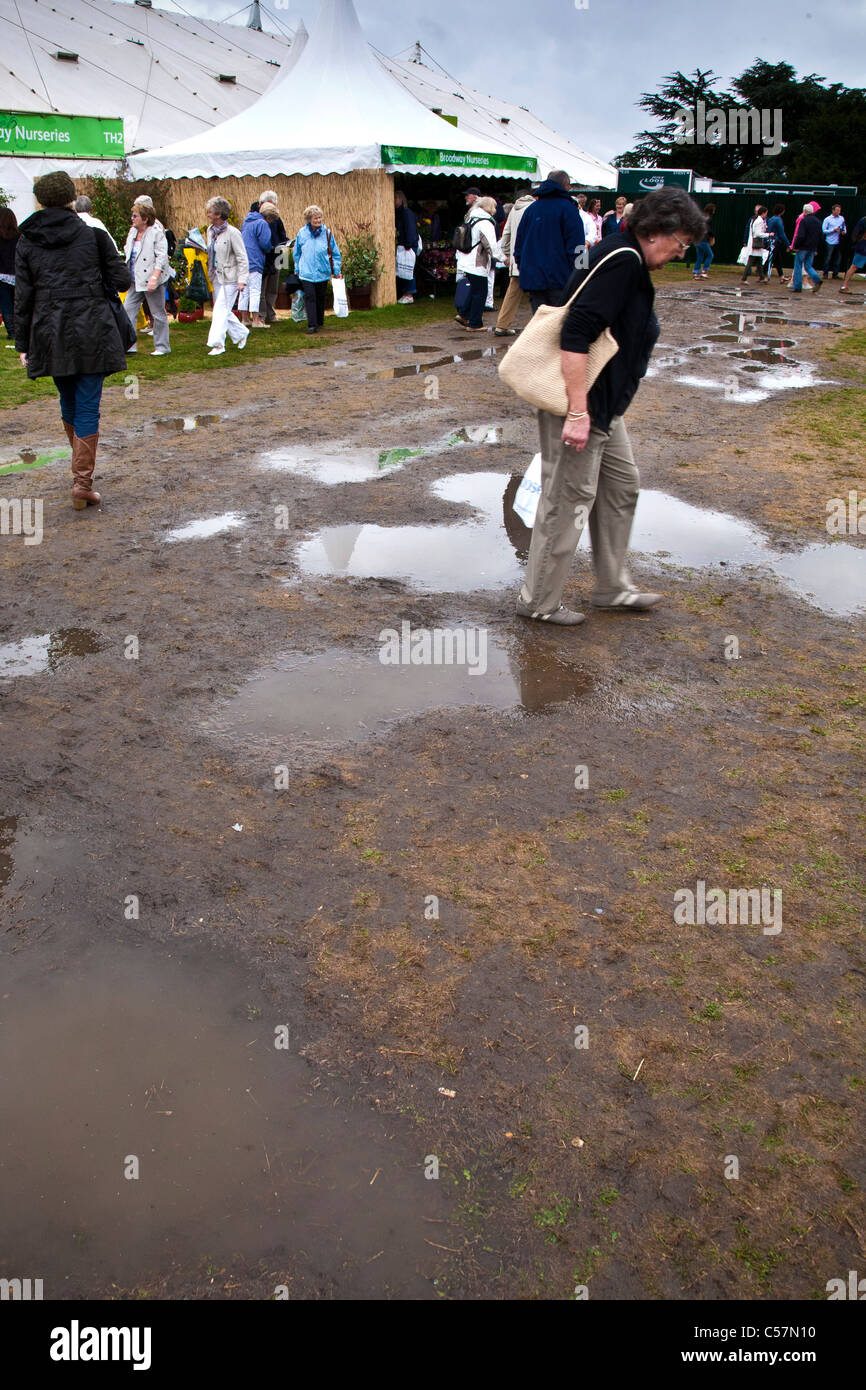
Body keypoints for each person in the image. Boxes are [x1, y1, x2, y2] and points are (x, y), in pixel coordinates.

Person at [515, 186, 706, 626]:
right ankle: (538, 601)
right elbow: (575, 333)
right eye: (682, 244)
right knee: (568, 499)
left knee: (621, 486)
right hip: (583, 404)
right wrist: (579, 413)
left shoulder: (625, 256)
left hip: (606, 406)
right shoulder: (622, 261)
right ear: (661, 231)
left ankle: (612, 586)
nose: (681, 253)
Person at [14, 170, 130, 509]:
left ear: (39, 201)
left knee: (69, 399)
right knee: (87, 404)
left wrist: (23, 344)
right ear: (71, 198)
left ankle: (82, 478)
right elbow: (121, 279)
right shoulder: (93, 235)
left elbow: (23, 297)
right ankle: (82, 482)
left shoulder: (27, 241)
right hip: (93, 327)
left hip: (50, 332)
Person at [513, 170, 585, 313]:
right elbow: (578, 246)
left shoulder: (531, 210)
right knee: (559, 326)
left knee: (539, 325)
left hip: (533, 279)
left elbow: (519, 245)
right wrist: (582, 274)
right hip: (560, 279)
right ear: (566, 185)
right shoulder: (569, 209)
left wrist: (523, 268)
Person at [122, 201, 171, 355]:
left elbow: (161, 257)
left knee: (158, 313)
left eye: (135, 216)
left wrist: (154, 278)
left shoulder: (156, 232)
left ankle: (162, 346)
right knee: (128, 310)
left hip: (152, 279)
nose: (132, 218)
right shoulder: (132, 232)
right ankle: (129, 345)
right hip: (134, 279)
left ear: (145, 219)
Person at [204, 195, 249, 356]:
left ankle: (218, 344)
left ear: (218, 214)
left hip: (231, 278)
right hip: (217, 277)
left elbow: (242, 258)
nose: (207, 214)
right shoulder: (210, 231)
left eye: (210, 212)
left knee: (220, 311)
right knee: (222, 309)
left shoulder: (233, 233)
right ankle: (241, 333)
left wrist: (242, 280)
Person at [293, 205, 341, 335]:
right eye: (315, 218)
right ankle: (312, 324)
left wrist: (337, 271)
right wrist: (297, 268)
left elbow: (335, 253)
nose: (318, 220)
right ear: (309, 219)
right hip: (306, 272)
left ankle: (319, 321)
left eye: (320, 218)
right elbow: (296, 253)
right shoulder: (302, 234)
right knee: (310, 297)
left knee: (320, 297)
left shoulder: (327, 233)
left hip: (322, 272)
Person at [494, 188, 535, 336]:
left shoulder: (514, 209)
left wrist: (507, 253)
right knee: (539, 293)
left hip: (516, 259)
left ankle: (502, 325)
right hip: (532, 259)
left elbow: (507, 232)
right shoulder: (535, 208)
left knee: (512, 293)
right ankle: (539, 329)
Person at [454, 195, 498, 331]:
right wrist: (502, 258)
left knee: (475, 289)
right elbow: (490, 244)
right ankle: (475, 323)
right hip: (477, 262)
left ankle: (463, 314)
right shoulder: (485, 222)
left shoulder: (471, 218)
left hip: (465, 259)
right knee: (481, 292)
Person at [238, 203, 272, 327]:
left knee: (244, 291)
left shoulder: (246, 222)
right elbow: (265, 244)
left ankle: (245, 318)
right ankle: (256, 320)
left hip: (243, 260)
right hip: (255, 260)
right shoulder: (262, 223)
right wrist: (271, 248)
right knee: (255, 290)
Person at [259, 200, 287, 324]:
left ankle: (271, 314)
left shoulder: (276, 219)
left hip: (276, 253)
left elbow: (282, 234)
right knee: (262, 288)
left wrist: (286, 242)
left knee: (273, 287)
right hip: (264, 255)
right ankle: (261, 315)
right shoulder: (259, 220)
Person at [790, 203, 823, 293]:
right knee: (808, 266)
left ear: (805, 211)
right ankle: (817, 280)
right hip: (812, 248)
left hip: (803, 247)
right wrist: (817, 248)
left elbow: (800, 235)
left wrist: (795, 246)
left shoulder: (804, 221)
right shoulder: (818, 221)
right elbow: (821, 236)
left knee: (798, 266)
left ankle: (797, 287)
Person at [395, 190, 419, 304]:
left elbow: (410, 229)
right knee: (403, 269)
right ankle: (405, 292)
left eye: (396, 198)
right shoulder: (399, 213)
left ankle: (409, 294)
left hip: (407, 246)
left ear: (401, 199)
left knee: (408, 269)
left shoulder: (406, 213)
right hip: (403, 245)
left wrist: (408, 244)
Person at [0, 207, 19, 343]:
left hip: (1, 274)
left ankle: (11, 331)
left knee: (6, 304)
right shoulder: (20, 236)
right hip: (18, 274)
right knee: (18, 303)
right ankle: (20, 330)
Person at [741, 206, 770, 283]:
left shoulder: (755, 220)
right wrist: (768, 234)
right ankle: (744, 278)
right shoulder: (759, 221)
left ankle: (762, 277)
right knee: (751, 261)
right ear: (763, 213)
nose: (766, 215)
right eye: (766, 213)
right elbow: (758, 234)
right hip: (756, 243)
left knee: (759, 261)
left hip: (754, 243)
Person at [839, 213, 866, 294]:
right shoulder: (864, 220)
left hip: (862, 246)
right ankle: (844, 286)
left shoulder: (863, 220)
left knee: (853, 266)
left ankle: (844, 285)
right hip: (863, 247)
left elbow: (854, 234)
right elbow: (855, 234)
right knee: (854, 266)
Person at [767, 204, 790, 282]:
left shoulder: (771, 219)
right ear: (781, 211)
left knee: (778, 259)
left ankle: (781, 276)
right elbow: (781, 233)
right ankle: (764, 276)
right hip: (776, 242)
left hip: (771, 241)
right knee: (771, 259)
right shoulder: (778, 220)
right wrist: (788, 244)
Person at [822, 205, 846, 280]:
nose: (838, 212)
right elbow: (824, 230)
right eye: (837, 210)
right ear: (833, 210)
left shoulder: (841, 218)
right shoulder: (827, 219)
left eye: (839, 210)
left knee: (838, 258)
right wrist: (833, 230)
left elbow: (844, 227)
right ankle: (825, 274)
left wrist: (844, 231)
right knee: (828, 258)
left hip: (839, 241)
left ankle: (835, 274)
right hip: (830, 241)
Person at [692, 202, 715, 279]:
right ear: (711, 210)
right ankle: (704, 271)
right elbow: (708, 230)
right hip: (703, 239)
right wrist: (712, 236)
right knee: (710, 255)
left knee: (700, 257)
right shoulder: (708, 219)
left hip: (697, 239)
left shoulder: (700, 216)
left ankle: (696, 272)